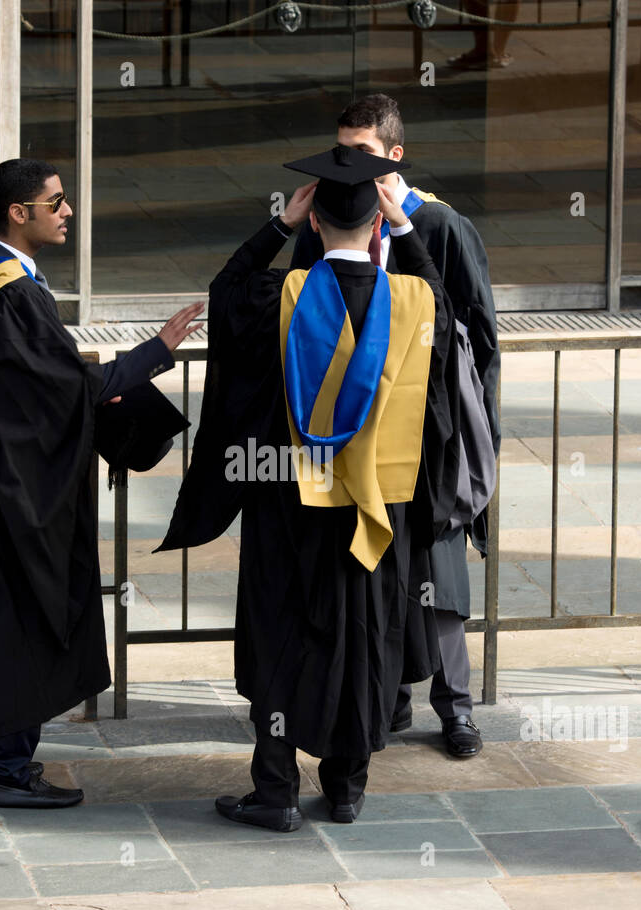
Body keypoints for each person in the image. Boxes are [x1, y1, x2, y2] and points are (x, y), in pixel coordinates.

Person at [158, 146, 461, 831]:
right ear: (379, 225)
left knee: (279, 637)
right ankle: (347, 787)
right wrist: (405, 233)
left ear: (313, 221)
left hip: (287, 504)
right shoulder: (413, 304)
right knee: (361, 639)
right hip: (375, 510)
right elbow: (442, 304)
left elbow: (227, 290)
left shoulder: (278, 300)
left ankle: (275, 791)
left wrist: (276, 230)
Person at [0, 158, 202, 809]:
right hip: (16, 495)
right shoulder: (15, 293)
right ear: (19, 212)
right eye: (56, 202)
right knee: (25, 623)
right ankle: (8, 770)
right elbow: (72, 390)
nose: (67, 212)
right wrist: (156, 353)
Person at [292, 93, 502, 759]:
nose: (349, 166)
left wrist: (477, 445)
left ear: (396, 154)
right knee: (375, 574)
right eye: (341, 153)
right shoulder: (322, 222)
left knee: (438, 577)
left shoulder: (437, 225)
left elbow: (480, 339)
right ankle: (389, 703)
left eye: (364, 154)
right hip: (353, 433)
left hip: (427, 433)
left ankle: (457, 710)